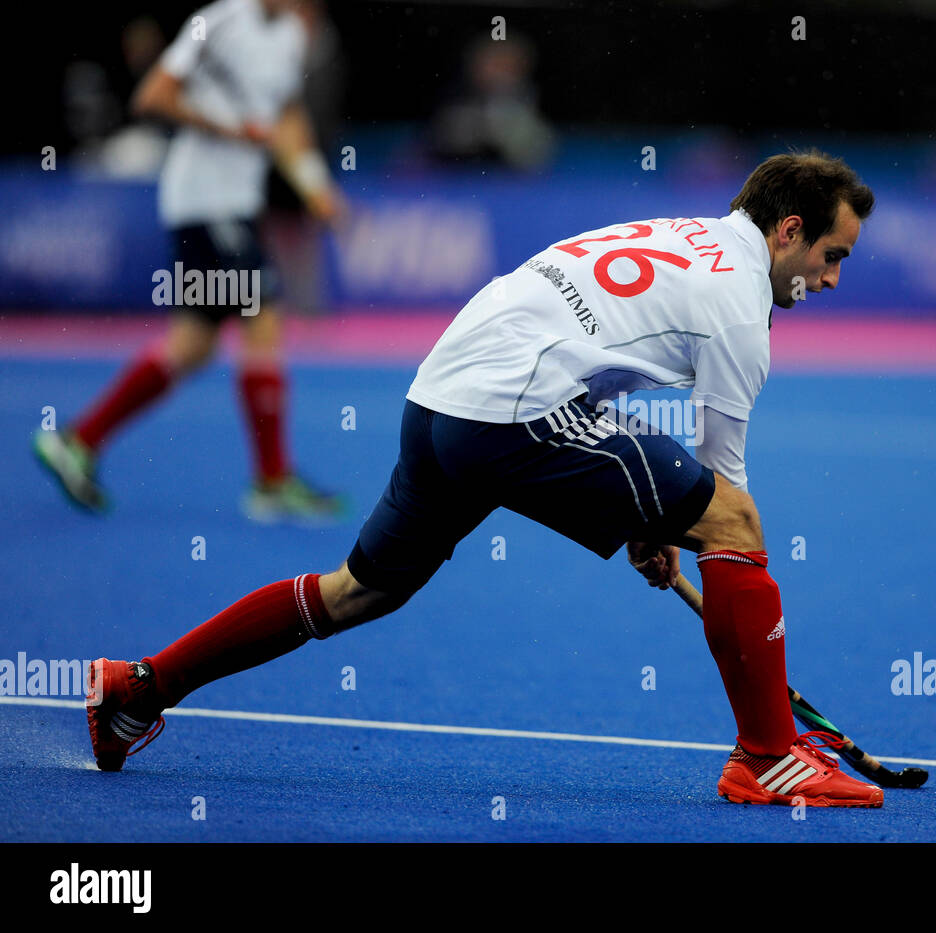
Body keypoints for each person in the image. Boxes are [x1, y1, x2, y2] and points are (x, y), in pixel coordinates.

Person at [85, 150, 884, 808]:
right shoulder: (740, 306)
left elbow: (600, 349)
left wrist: (653, 521)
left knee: (357, 588)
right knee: (737, 523)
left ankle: (140, 687)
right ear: (789, 231)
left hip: (439, 395)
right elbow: (723, 496)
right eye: (832, 256)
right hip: (517, 410)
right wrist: (678, 523)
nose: (833, 279)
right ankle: (769, 756)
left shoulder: (683, 233)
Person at [35, 0, 344, 522]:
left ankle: (78, 441)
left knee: (194, 345)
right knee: (262, 320)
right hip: (203, 201)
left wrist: (315, 185)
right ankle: (271, 482)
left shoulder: (291, 36)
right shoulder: (222, 19)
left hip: (235, 205)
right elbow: (153, 96)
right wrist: (228, 129)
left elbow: (285, 116)